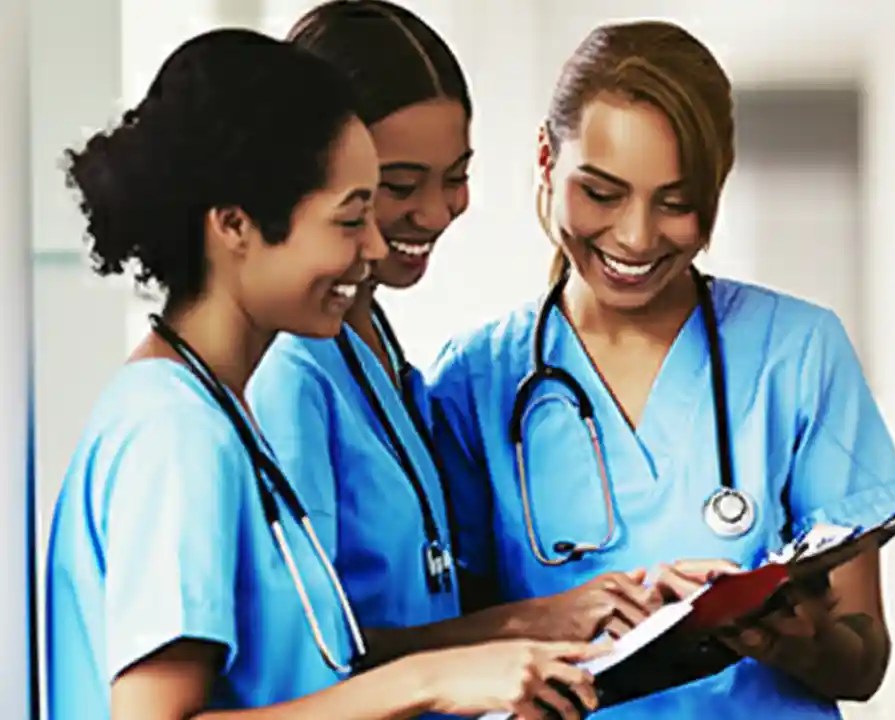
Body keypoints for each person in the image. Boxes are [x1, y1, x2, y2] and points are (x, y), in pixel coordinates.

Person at [44, 28, 601, 720]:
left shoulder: (215, 413)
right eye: (350, 219)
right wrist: (424, 682)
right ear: (236, 225)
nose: (371, 248)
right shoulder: (173, 431)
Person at [424, 19, 895, 719]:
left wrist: (776, 635)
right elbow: (442, 659)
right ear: (545, 160)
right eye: (601, 193)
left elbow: (864, 662)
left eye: (677, 203)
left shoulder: (799, 351)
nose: (635, 236)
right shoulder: (473, 383)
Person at [250, 0, 704, 665]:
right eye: (399, 184)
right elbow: (306, 657)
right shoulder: (290, 368)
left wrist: (613, 606)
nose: (436, 211)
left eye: (456, 177)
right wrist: (527, 625)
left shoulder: (372, 339)